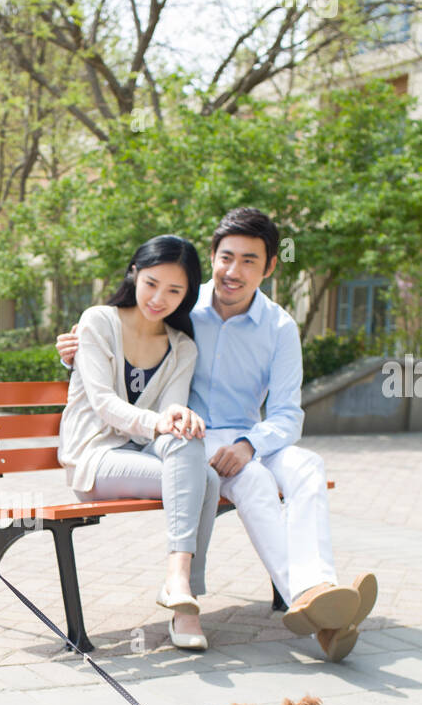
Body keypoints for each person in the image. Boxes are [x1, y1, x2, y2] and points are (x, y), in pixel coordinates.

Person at [57, 207, 377, 662]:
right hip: (192, 438)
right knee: (253, 482)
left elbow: (288, 414)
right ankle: (312, 605)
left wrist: (251, 444)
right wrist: (71, 353)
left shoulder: (278, 327)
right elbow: (124, 349)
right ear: (212, 257)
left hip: (249, 438)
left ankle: (315, 590)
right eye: (227, 257)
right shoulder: (184, 305)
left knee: (308, 465)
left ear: (269, 267)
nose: (234, 270)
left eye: (250, 260)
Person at [57, 235, 221, 651]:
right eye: (151, 283)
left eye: (174, 290)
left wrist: (180, 418)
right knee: (206, 482)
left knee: (193, 448)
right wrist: (164, 421)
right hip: (94, 459)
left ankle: (178, 584)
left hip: (142, 455)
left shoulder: (183, 347)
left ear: (188, 295)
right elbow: (104, 404)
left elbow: (170, 412)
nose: (158, 298)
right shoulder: (98, 321)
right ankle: (186, 606)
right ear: (134, 273)